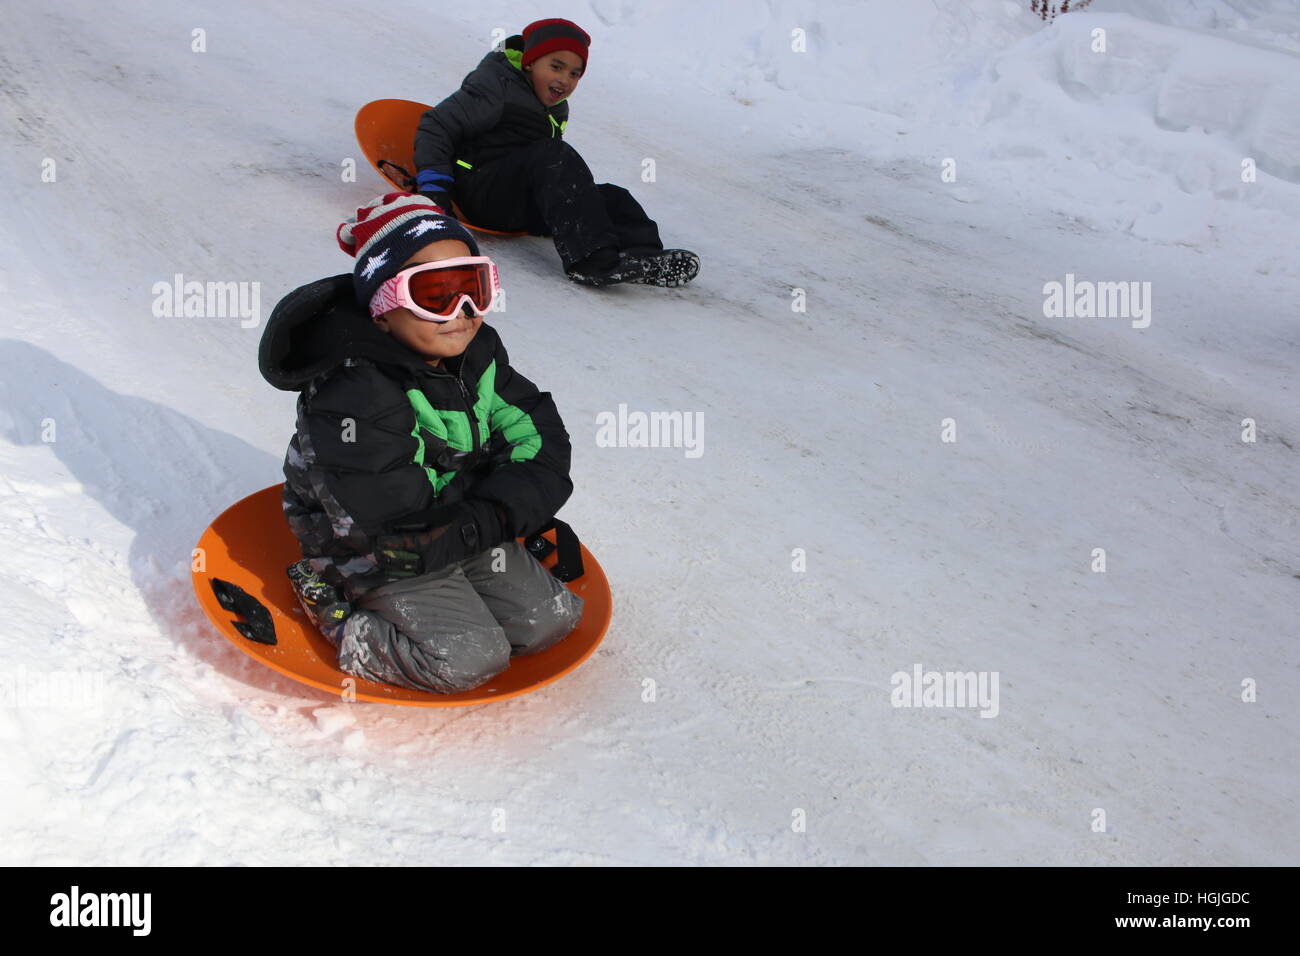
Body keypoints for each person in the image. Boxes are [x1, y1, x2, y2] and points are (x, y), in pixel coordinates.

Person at [258, 191, 584, 694]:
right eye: (435, 293)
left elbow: (537, 436)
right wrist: (497, 508)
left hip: (459, 526)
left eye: (472, 286)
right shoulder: (354, 391)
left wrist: (495, 513)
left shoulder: (478, 353)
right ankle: (337, 610)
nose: (463, 310)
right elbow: (388, 520)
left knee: (551, 619)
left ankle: (467, 582)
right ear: (384, 307)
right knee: (467, 661)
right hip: (374, 547)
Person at [413, 17, 699, 288]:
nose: (565, 80)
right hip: (481, 190)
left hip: (521, 198)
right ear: (530, 62)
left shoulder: (555, 105)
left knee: (612, 196)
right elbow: (436, 125)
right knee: (553, 153)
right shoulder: (496, 86)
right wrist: (435, 188)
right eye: (556, 66)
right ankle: (590, 260)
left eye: (575, 74)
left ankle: (643, 256)